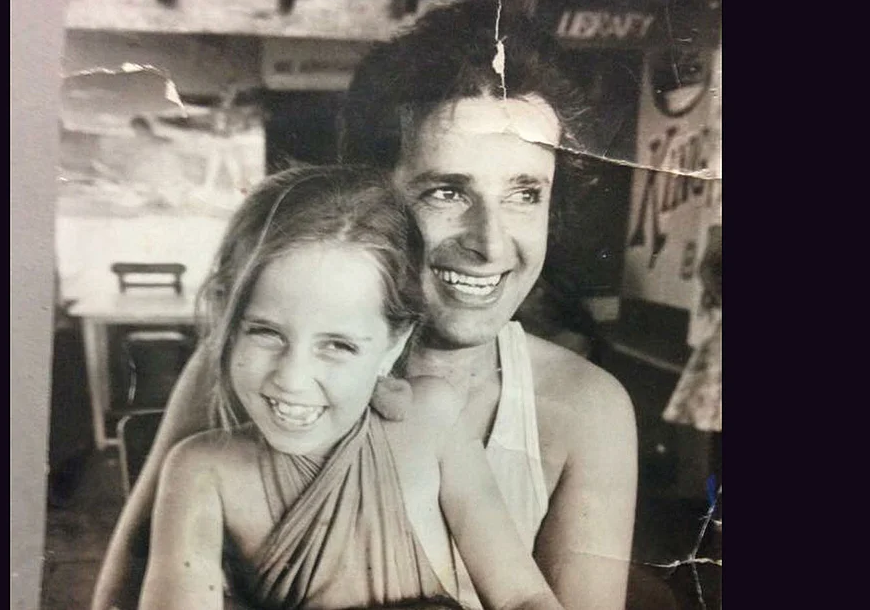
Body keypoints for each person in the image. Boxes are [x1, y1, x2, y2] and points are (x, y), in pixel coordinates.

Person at [93, 0, 637, 610]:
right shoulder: (249, 375)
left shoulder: (584, 408)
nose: (489, 244)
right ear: (373, 199)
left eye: (525, 194)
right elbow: (120, 599)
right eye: (446, 191)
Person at [139, 165, 565, 610]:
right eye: (265, 332)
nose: (292, 378)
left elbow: (523, 596)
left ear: (392, 345)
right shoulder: (200, 470)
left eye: (338, 345)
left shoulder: (431, 419)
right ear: (228, 324)